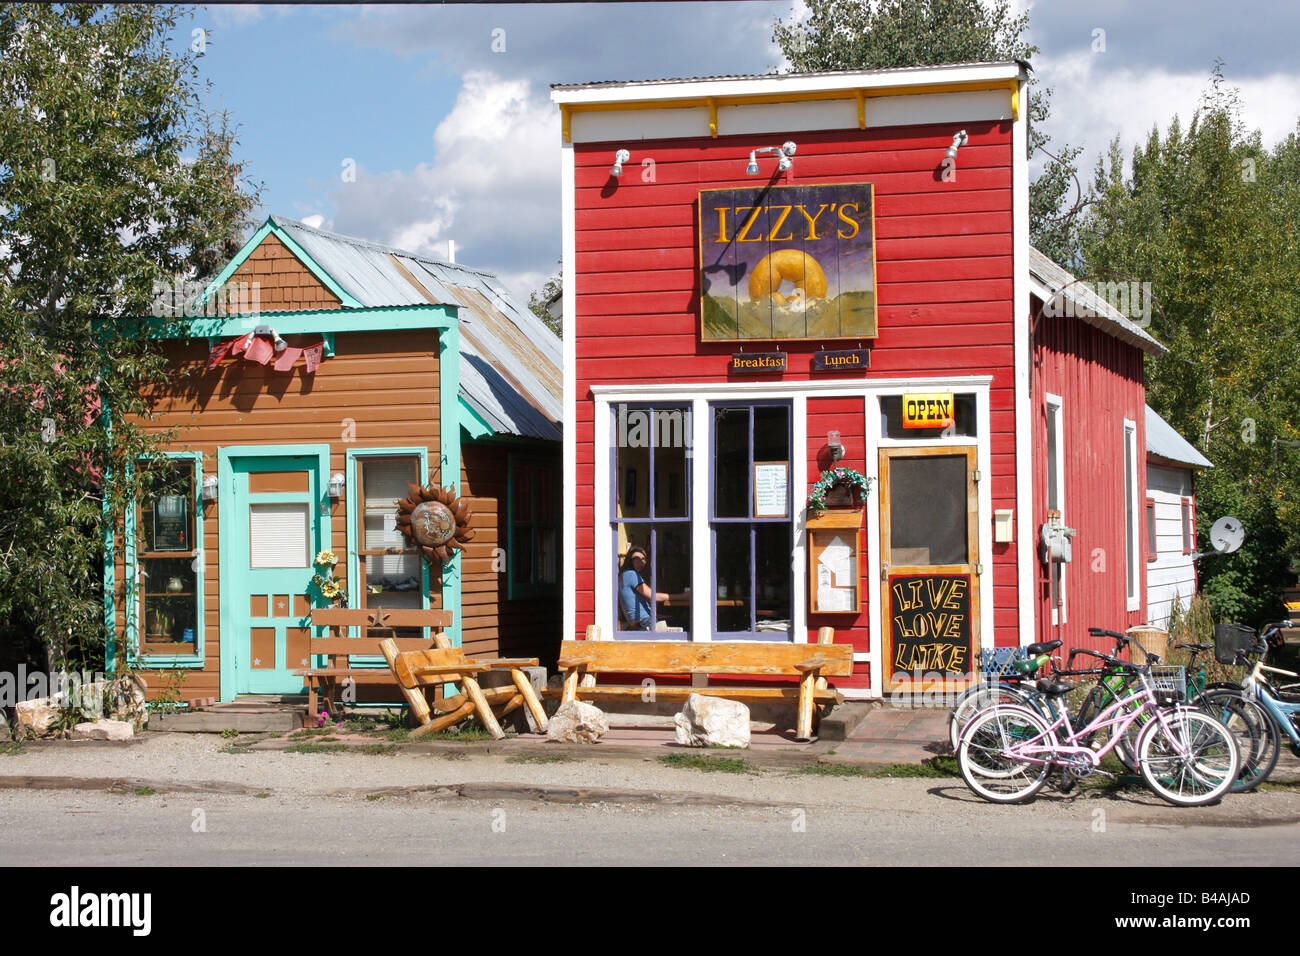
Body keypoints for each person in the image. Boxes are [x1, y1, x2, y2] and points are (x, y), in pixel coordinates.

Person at [619, 544, 668, 630]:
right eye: (636, 559)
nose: (640, 562)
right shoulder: (631, 574)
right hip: (644, 623)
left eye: (643, 559)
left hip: (641, 621)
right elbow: (653, 596)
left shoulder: (624, 575)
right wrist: (682, 596)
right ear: (630, 561)